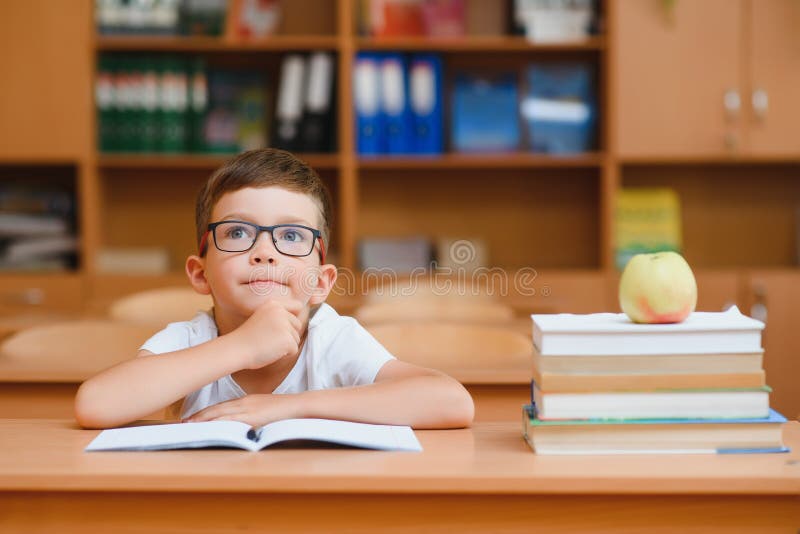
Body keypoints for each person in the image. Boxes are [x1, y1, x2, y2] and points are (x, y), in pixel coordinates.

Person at [75, 149, 474, 430]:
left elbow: (451, 401)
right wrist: (243, 347)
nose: (265, 252)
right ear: (200, 274)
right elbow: (96, 404)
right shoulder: (192, 339)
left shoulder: (333, 339)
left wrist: (288, 408)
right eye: (236, 232)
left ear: (321, 283)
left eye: (291, 235)